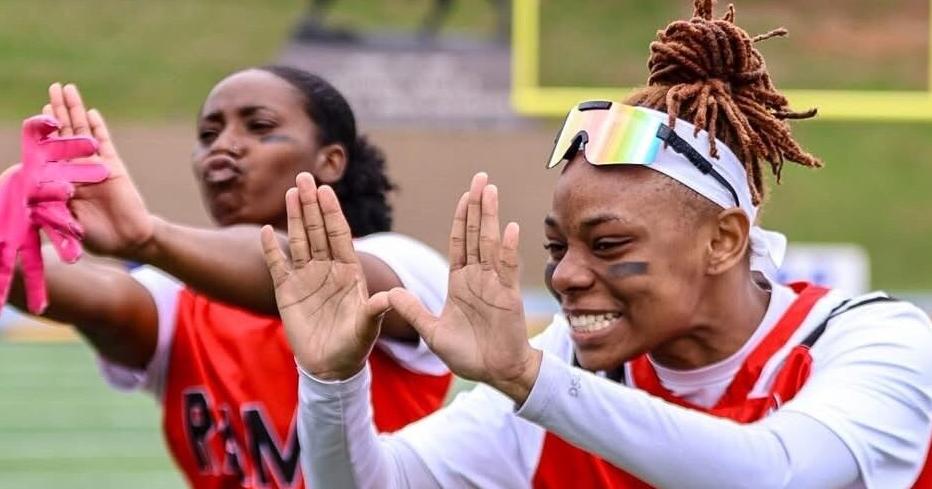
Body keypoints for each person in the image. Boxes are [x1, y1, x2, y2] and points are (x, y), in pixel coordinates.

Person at [269, 2, 932, 488]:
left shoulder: (872, 341)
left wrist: (527, 377)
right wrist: (332, 381)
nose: (566, 276)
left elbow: (774, 473)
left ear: (725, 239)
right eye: (558, 248)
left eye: (609, 243)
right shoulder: (566, 369)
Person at [6, 67, 451, 488]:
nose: (224, 145)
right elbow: (85, 293)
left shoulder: (406, 265)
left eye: (258, 126)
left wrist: (146, 238)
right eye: (208, 134)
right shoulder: (176, 296)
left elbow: (315, 277)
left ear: (330, 161)